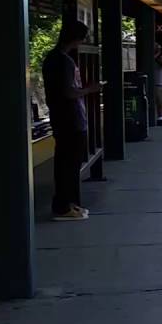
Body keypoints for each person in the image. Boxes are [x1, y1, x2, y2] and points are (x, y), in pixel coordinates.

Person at [43, 20, 101, 220]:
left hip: (60, 118)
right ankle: (63, 208)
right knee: (69, 164)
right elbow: (69, 92)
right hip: (71, 119)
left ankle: (67, 204)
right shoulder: (64, 61)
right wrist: (90, 89)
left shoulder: (51, 59)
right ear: (76, 38)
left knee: (64, 163)